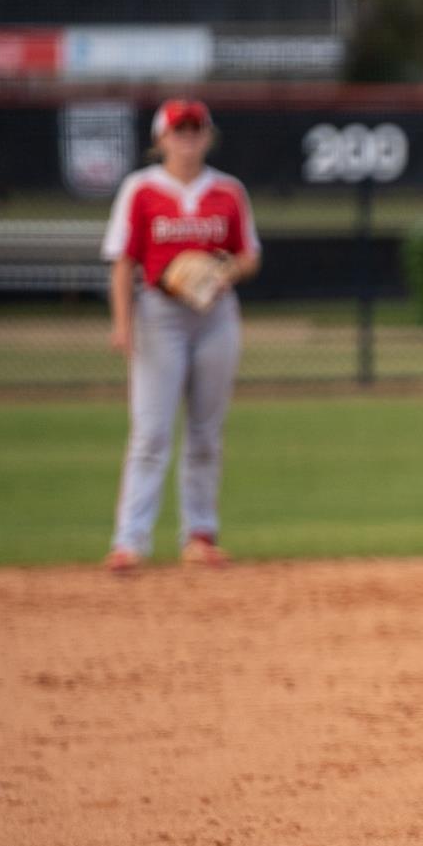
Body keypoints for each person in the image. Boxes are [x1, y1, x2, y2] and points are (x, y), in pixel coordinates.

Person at [101, 99, 261, 572]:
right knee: (151, 433)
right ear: (161, 139)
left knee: (206, 434)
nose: (188, 138)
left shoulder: (228, 191)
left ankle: (200, 535)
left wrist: (222, 272)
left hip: (215, 315)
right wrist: (123, 324)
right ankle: (130, 541)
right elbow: (123, 262)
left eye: (196, 130)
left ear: (209, 136)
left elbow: (249, 254)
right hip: (160, 314)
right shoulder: (142, 190)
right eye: (179, 130)